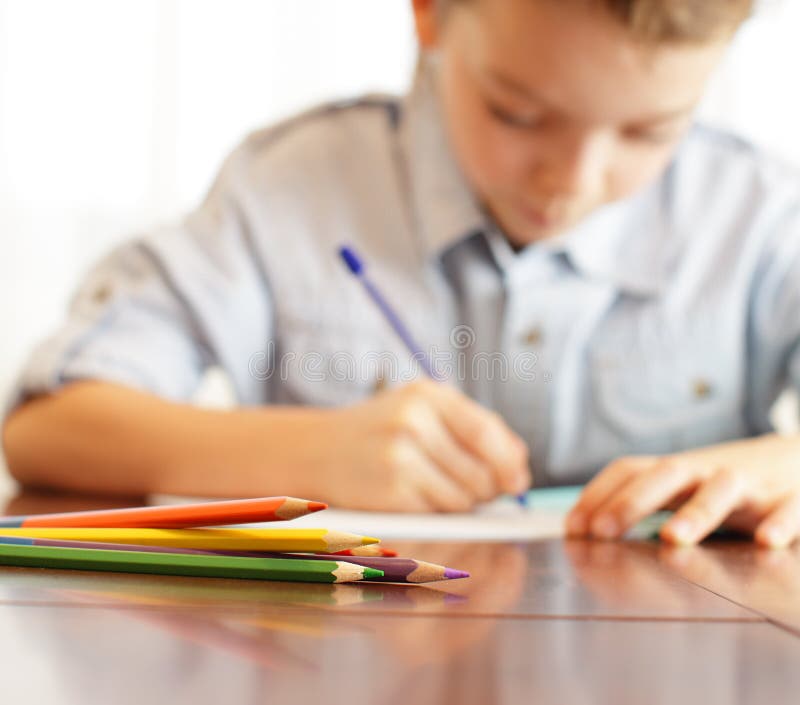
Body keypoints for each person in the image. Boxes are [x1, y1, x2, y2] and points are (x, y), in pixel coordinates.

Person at [4, 0, 800, 547]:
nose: (573, 179)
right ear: (429, 12)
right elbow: (46, 428)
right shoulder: (290, 187)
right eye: (517, 113)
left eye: (649, 130)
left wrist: (782, 463)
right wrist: (307, 453)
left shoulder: (758, 214)